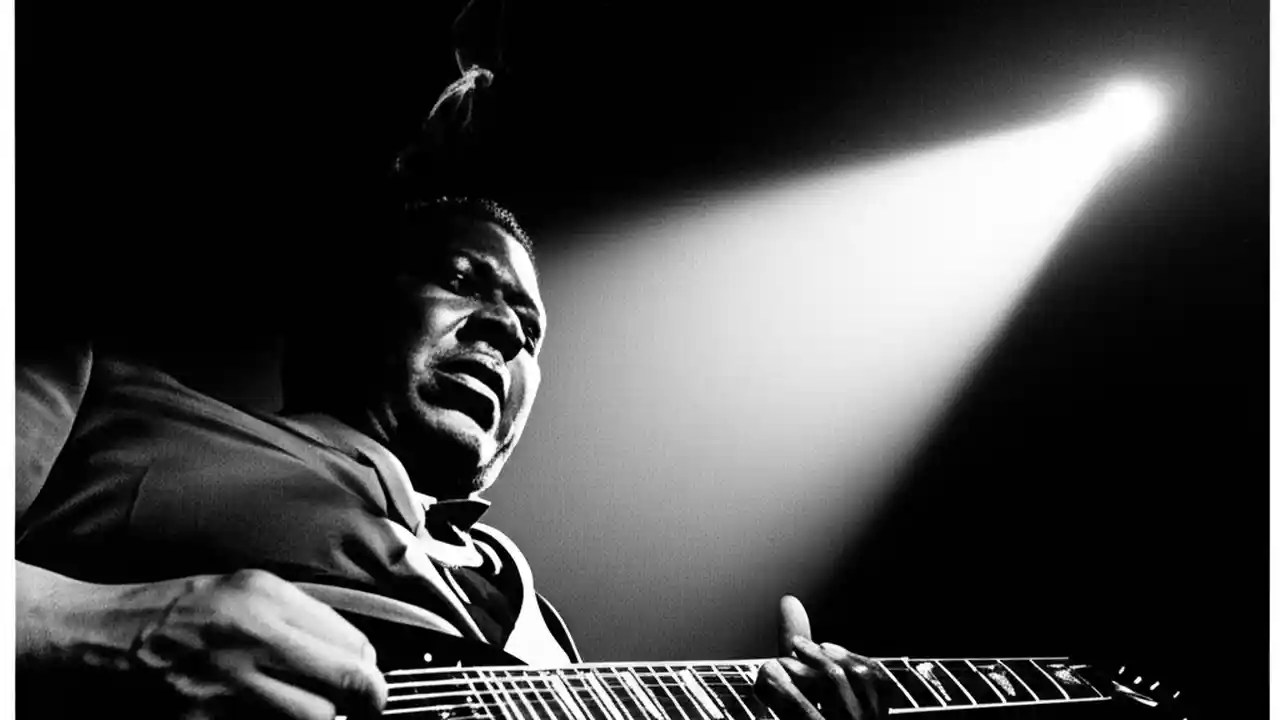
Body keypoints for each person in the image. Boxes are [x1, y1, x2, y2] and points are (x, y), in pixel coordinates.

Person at [16, 196, 892, 719]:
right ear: (343, 308)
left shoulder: (544, 634)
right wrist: (101, 633)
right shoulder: (100, 391)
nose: (506, 330)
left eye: (532, 329)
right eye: (466, 282)